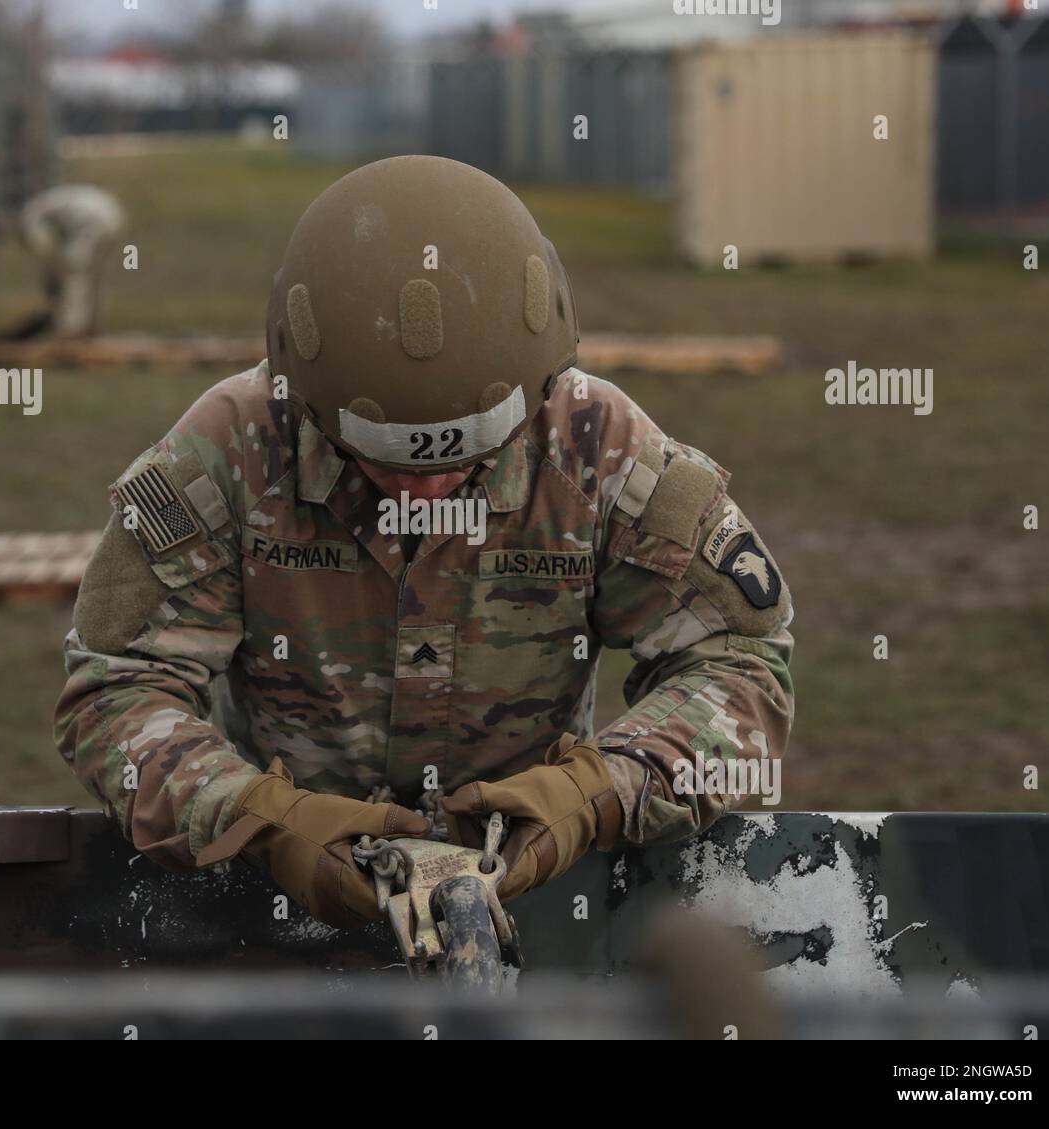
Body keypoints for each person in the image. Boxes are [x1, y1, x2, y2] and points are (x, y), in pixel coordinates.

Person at [54, 156, 794, 930]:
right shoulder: (228, 454)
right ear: (307, 405)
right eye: (385, 463)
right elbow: (117, 686)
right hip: (275, 906)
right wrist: (258, 819)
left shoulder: (598, 452)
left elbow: (742, 660)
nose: (427, 495)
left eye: (464, 463)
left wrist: (598, 794)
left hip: (537, 901)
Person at [19, 184, 124, 338]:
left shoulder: (35, 214)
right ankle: (74, 325)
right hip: (104, 215)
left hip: (96, 219)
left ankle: (71, 328)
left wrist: (60, 260)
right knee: (77, 277)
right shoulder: (51, 208)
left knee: (73, 274)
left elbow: (36, 238)